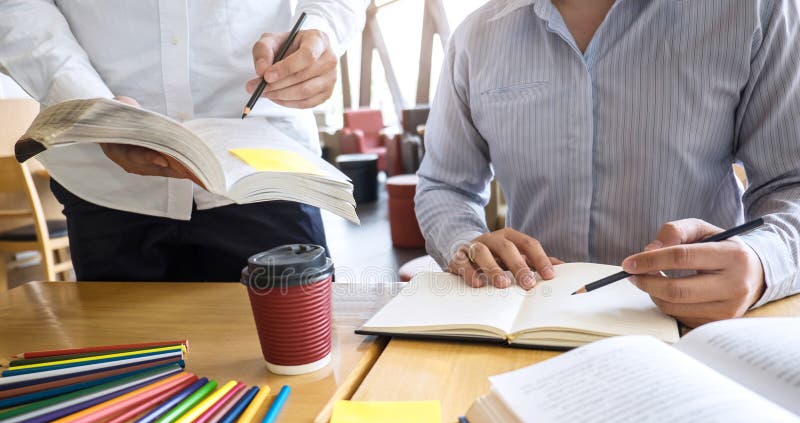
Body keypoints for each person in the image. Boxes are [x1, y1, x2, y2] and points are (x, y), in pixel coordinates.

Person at [415, 0, 800, 327]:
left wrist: (763, 262)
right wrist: (465, 243)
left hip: (700, 328)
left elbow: (792, 185)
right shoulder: (475, 37)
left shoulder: (757, 11)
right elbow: (444, 185)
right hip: (530, 328)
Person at [0, 1, 367, 281]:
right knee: (127, 373)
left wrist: (323, 27)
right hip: (104, 184)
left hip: (267, 168)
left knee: (296, 367)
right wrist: (90, 105)